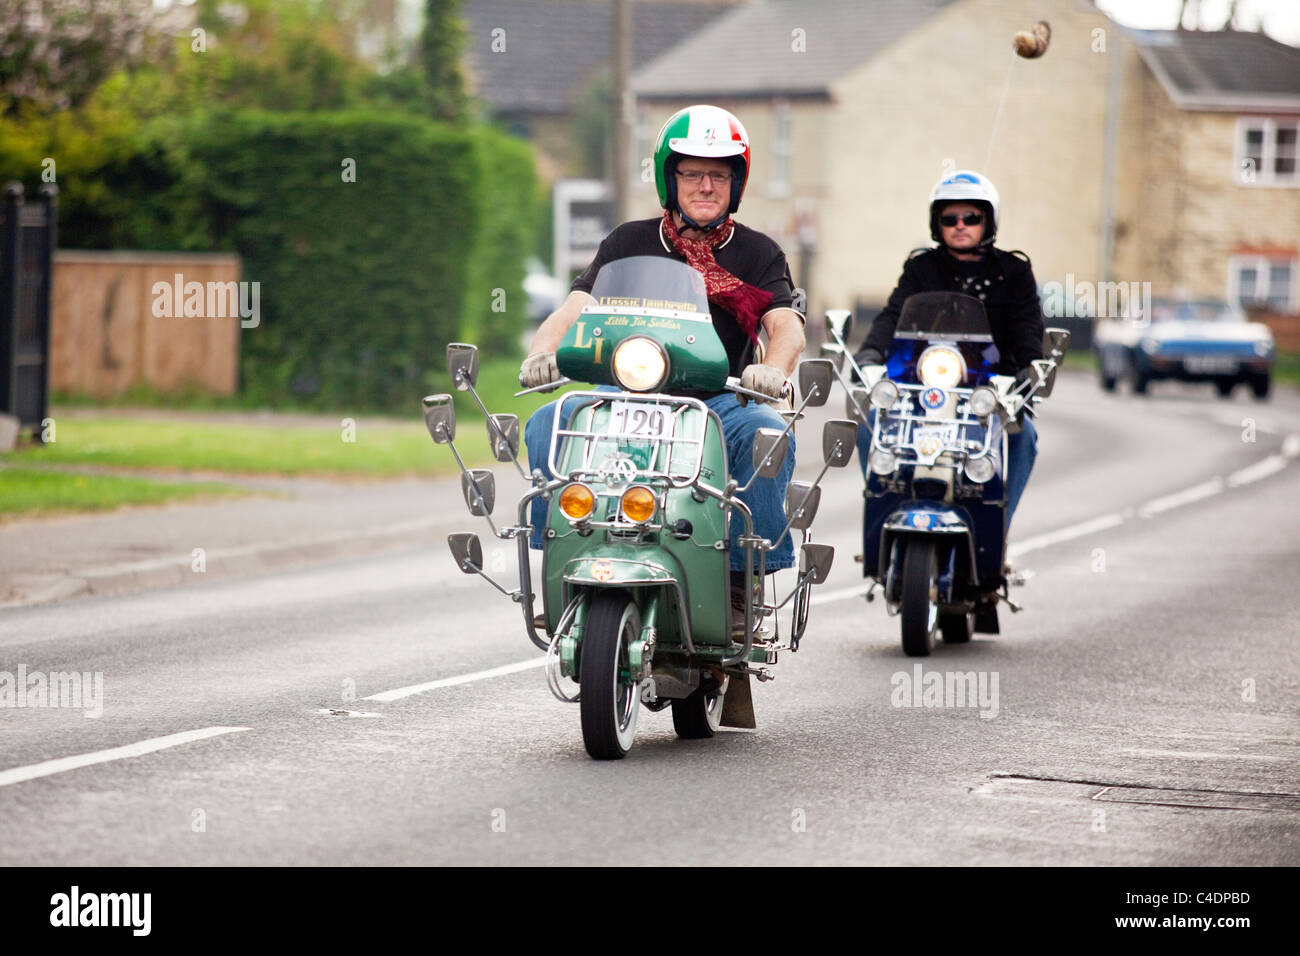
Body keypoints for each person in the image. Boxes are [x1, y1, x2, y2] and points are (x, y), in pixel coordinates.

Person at [520, 104, 806, 619]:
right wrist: (542, 352)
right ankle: (558, 564)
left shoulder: (759, 254)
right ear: (668, 178)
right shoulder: (628, 241)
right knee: (549, 422)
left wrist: (775, 371)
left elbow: (786, 325)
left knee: (769, 434)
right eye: (691, 173)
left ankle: (742, 582)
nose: (704, 186)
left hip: (720, 400)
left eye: (719, 175)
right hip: (624, 392)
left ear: (735, 184)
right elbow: (573, 309)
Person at [853, 169, 1044, 529]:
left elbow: (1027, 326)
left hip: (991, 390)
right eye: (949, 218)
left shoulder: (1014, 272)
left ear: (988, 221)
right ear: (936, 222)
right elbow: (892, 315)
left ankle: (998, 526)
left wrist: (1030, 367)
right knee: (869, 424)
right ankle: (885, 506)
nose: (960, 225)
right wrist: (869, 355)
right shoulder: (922, 267)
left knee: (1025, 435)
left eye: (971, 217)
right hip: (921, 385)